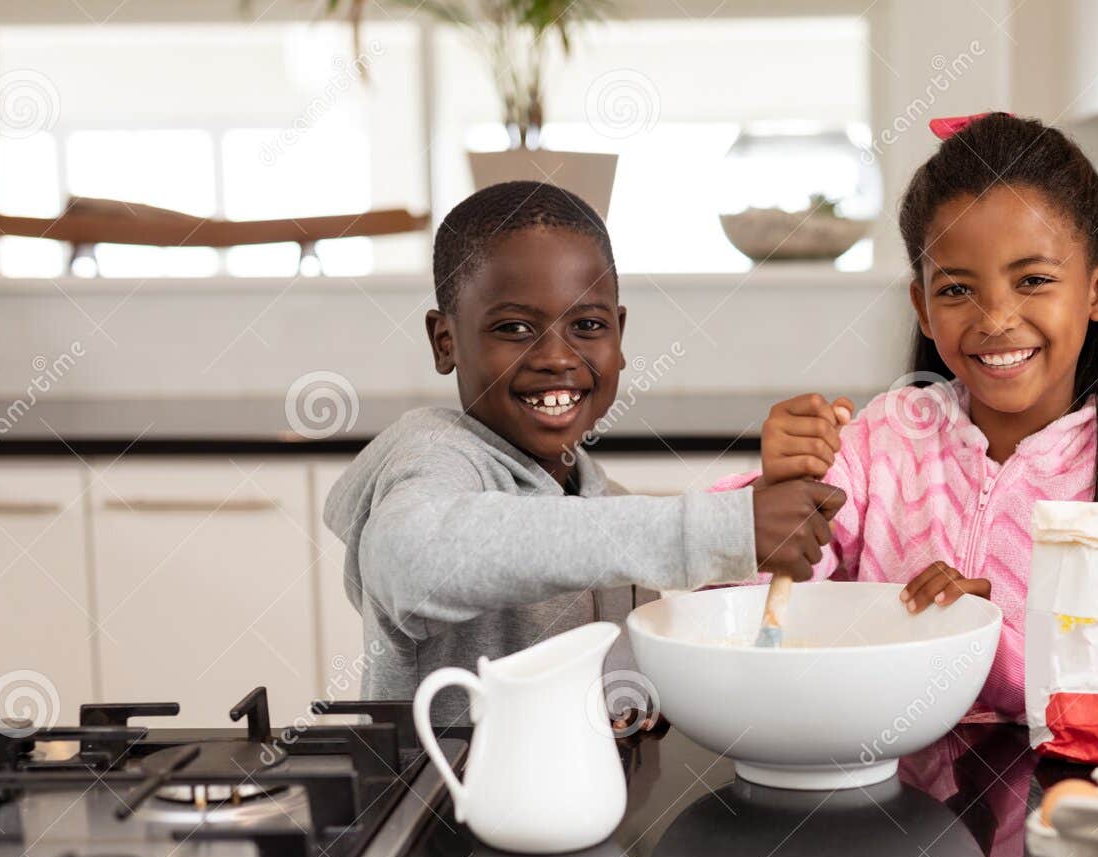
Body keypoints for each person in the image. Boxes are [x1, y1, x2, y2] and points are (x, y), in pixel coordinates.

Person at [728, 113, 1098, 724]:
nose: (994, 319)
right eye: (957, 290)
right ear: (922, 306)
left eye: (1034, 280)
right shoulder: (876, 450)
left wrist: (994, 650)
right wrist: (772, 500)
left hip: (1073, 809)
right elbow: (751, 632)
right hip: (884, 802)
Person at [325, 181, 843, 725]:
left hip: (590, 803)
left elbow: (631, 690)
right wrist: (720, 528)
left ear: (618, 336)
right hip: (441, 806)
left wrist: (753, 521)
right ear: (445, 341)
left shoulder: (603, 500)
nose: (556, 357)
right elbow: (412, 557)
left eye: (587, 326)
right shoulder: (435, 457)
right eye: (514, 328)